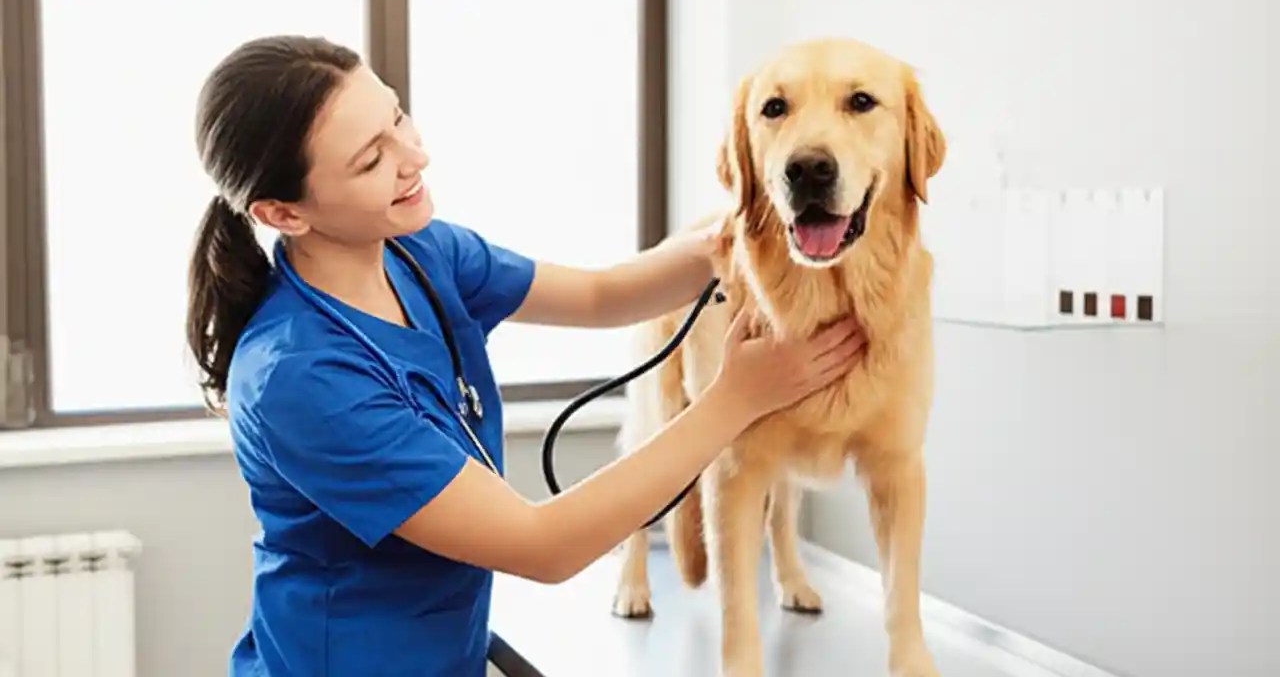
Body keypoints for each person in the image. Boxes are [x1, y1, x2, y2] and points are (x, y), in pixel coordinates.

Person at [185, 34, 865, 677]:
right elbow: (543, 546)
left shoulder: (420, 254)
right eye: (371, 160)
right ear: (283, 214)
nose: (413, 157)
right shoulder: (301, 379)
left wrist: (744, 231)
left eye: (398, 118)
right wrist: (735, 401)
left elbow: (602, 295)